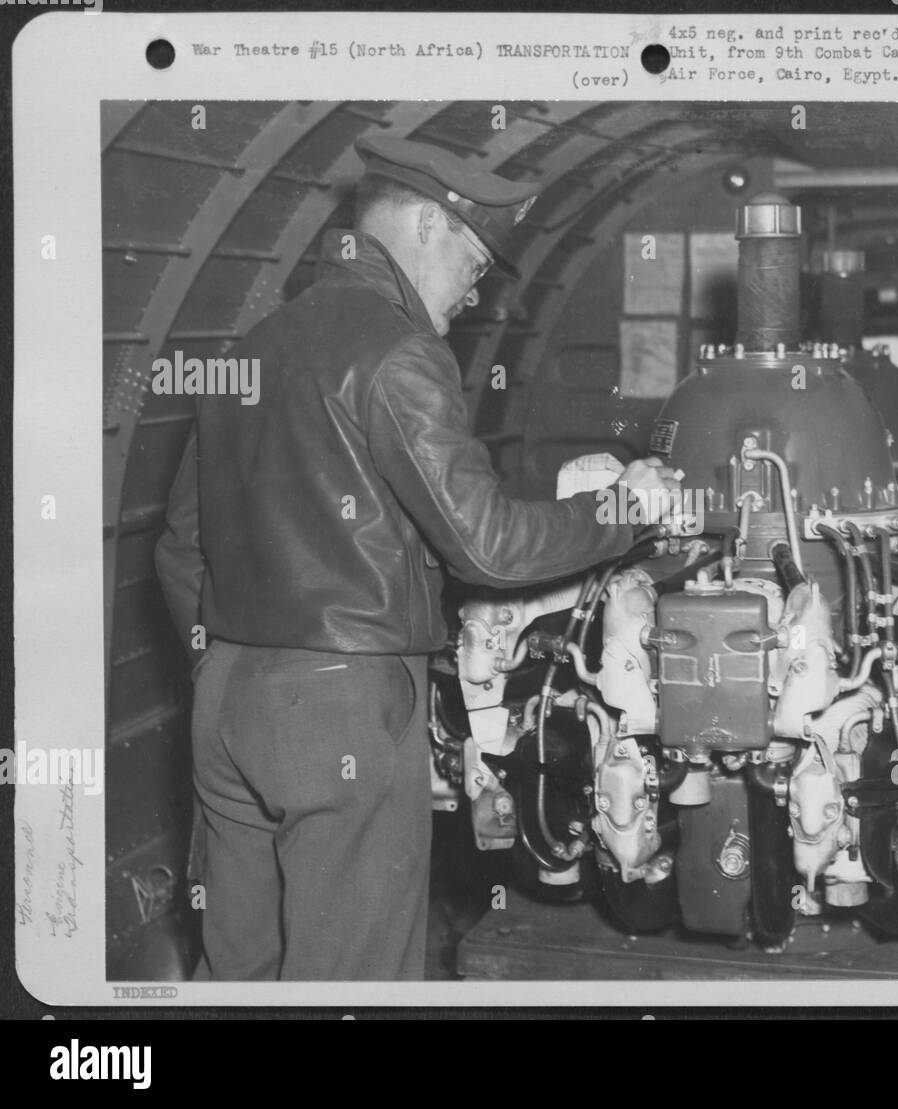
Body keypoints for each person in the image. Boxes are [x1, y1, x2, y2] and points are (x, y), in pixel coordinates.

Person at [155, 136, 679, 980]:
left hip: (224, 706)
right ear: (429, 225)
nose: (475, 294)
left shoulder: (245, 351)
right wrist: (624, 508)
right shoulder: (398, 353)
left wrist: (222, 664)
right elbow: (487, 543)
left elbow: (182, 543)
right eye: (475, 264)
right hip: (343, 711)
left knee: (237, 971)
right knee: (350, 976)